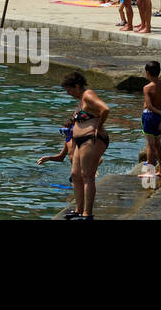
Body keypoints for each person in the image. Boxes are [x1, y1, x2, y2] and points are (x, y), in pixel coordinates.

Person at [62, 71, 109, 220]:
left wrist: (99, 127)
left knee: (87, 176)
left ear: (77, 86)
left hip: (92, 139)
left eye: (69, 90)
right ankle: (78, 209)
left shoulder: (88, 95)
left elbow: (105, 109)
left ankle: (87, 214)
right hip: (80, 141)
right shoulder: (81, 99)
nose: (68, 93)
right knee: (76, 175)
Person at [142, 61, 161, 180]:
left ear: (147, 73)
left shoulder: (147, 88)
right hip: (159, 118)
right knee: (157, 144)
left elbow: (148, 105)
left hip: (149, 116)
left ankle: (150, 171)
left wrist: (158, 112)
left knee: (149, 144)